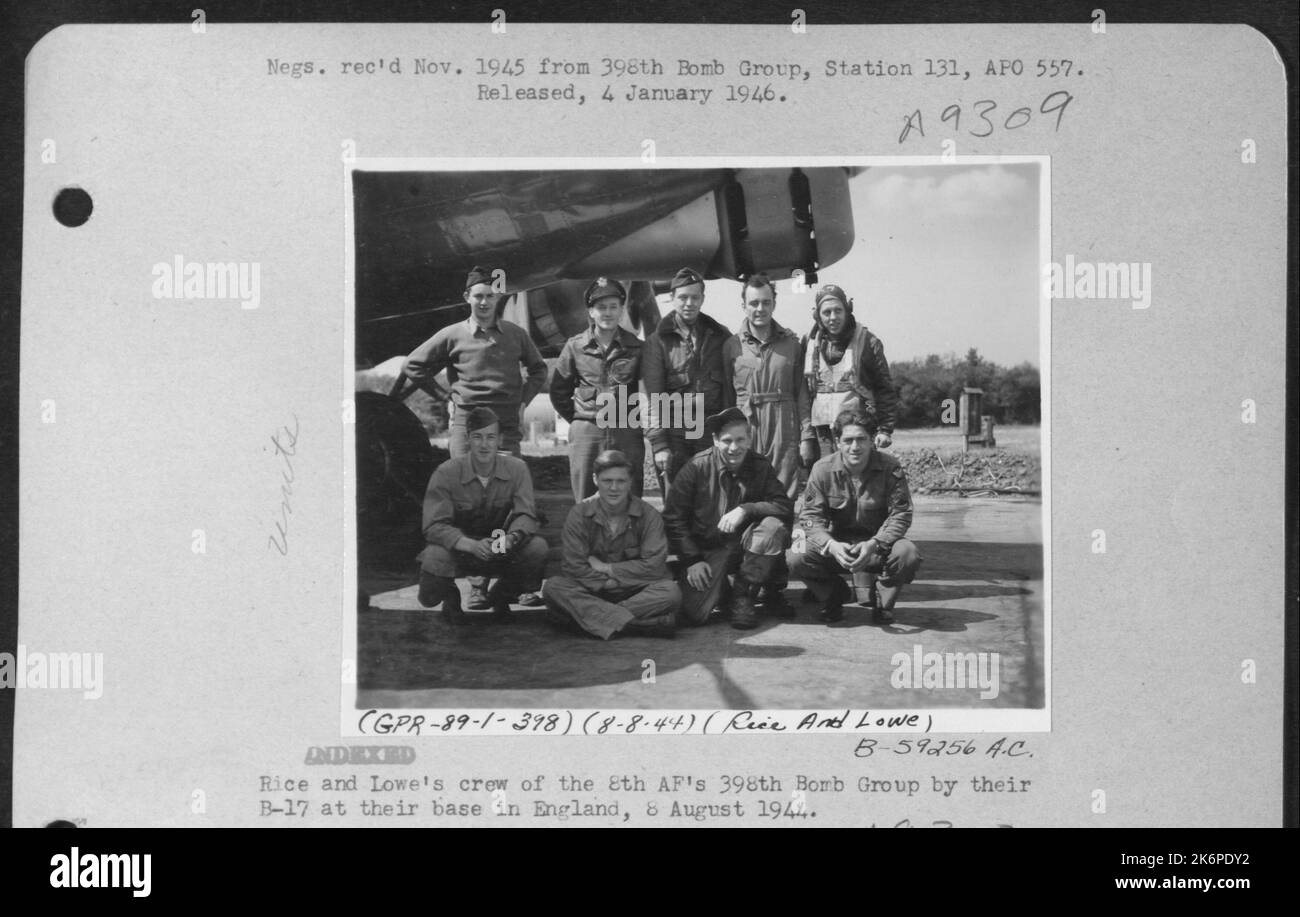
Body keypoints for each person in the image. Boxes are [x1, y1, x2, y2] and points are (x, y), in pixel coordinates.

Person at [404, 265, 548, 608]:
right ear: (467, 298)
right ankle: (478, 585)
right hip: (467, 425)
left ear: (499, 298)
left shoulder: (515, 334)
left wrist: (523, 400)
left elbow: (539, 369)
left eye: (490, 295)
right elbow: (413, 365)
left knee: (510, 497)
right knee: (464, 500)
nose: (484, 302)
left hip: (506, 426)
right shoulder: (452, 334)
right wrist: (444, 399)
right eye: (478, 296)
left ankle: (520, 583)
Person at [721, 273, 812, 614]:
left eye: (766, 302)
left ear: (774, 303)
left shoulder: (791, 343)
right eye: (753, 303)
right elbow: (727, 399)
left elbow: (802, 392)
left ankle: (774, 589)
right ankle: (746, 585)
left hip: (785, 427)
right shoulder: (731, 346)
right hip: (748, 428)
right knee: (747, 499)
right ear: (743, 305)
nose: (760, 309)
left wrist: (805, 435)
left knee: (783, 502)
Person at [661, 407, 793, 630]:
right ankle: (725, 592)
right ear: (714, 440)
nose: (734, 447)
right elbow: (673, 518)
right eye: (727, 440)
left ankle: (744, 595)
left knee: (772, 528)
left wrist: (746, 509)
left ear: (749, 439)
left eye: (740, 439)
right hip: (709, 550)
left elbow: (783, 505)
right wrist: (692, 560)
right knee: (695, 615)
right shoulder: (696, 467)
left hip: (745, 546)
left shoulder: (760, 466)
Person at [787, 407, 921, 625]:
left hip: (878, 545)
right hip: (838, 547)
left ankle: (883, 601)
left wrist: (875, 544)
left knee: (908, 553)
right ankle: (833, 596)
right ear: (837, 441)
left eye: (861, 439)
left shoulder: (890, 467)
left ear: (872, 441)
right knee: (795, 551)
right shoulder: (822, 469)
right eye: (848, 440)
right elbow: (810, 517)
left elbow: (901, 514)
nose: (855, 447)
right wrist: (830, 545)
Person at [416, 407, 549, 624]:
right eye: (477, 437)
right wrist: (469, 545)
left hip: (501, 548)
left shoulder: (517, 469)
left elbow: (526, 513)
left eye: (490, 437)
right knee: (432, 570)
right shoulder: (446, 472)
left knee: (537, 548)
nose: (484, 444)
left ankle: (502, 595)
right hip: (460, 549)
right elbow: (433, 525)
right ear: (468, 439)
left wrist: (511, 538)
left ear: (500, 440)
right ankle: (450, 596)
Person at [541, 451, 681, 639]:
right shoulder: (580, 513)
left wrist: (607, 568)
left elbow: (654, 567)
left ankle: (588, 619)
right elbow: (574, 566)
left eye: (621, 481)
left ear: (630, 482)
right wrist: (608, 582)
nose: (614, 488)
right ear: (595, 479)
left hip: (635, 592)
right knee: (553, 587)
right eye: (607, 481)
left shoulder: (649, 515)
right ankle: (637, 625)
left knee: (671, 592)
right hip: (592, 590)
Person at [548, 278, 646, 501]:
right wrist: (580, 419)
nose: (607, 313)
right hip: (587, 432)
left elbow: (646, 391)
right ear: (591, 312)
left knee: (629, 496)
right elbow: (558, 391)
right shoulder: (575, 346)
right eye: (601, 307)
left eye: (613, 307)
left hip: (625, 431)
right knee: (585, 497)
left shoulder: (637, 348)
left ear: (622, 310)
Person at [641, 267, 732, 500]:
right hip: (674, 432)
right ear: (671, 298)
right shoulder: (657, 341)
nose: (689, 303)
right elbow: (651, 397)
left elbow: (729, 389)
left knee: (711, 499)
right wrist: (660, 444)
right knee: (677, 503)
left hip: (709, 429)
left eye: (695, 297)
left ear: (703, 299)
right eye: (682, 297)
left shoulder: (720, 336)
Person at [802, 283, 899, 458]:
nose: (833, 317)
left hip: (857, 433)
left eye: (838, 311)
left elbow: (884, 389)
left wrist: (885, 429)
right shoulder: (808, 346)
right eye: (826, 312)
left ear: (848, 310)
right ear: (817, 315)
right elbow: (802, 394)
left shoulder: (869, 343)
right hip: (822, 436)